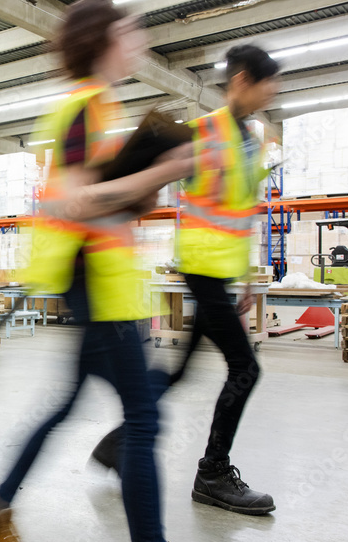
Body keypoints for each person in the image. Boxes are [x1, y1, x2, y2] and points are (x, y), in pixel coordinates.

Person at [0, 0, 238, 542]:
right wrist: (169, 168)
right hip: (100, 288)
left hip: (105, 285)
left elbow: (98, 197)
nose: (138, 38)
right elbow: (79, 202)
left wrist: (144, 178)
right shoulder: (83, 108)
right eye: (129, 29)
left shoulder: (93, 109)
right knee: (143, 421)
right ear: (104, 40)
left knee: (64, 408)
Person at [91, 44, 280, 517]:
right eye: (265, 82)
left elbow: (243, 212)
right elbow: (142, 162)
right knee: (246, 368)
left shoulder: (249, 141)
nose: (271, 91)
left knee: (178, 372)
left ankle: (119, 443)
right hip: (201, 271)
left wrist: (251, 276)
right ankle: (213, 473)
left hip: (222, 275)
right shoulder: (205, 134)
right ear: (241, 81)